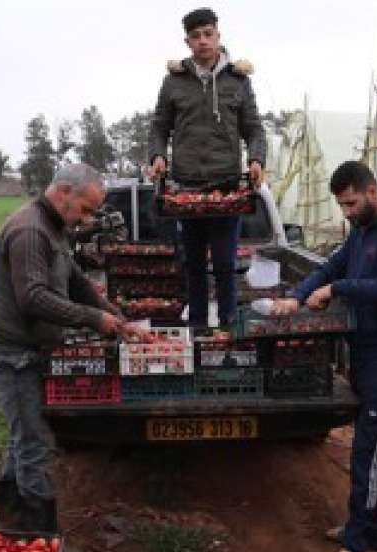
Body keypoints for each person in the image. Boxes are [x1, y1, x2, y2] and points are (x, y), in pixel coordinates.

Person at [0, 163, 148, 552]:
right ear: (62, 192)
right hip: (14, 357)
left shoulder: (53, 226)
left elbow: (75, 281)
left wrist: (114, 317)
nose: (88, 220)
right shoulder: (30, 232)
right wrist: (95, 321)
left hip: (31, 351)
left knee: (22, 436)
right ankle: (43, 544)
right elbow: (34, 298)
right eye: (86, 210)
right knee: (34, 444)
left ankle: (16, 525)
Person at [271, 161, 377, 552]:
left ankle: (354, 545)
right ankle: (374, 528)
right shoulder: (359, 233)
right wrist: (297, 298)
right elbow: (327, 268)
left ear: (373, 192)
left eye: (352, 203)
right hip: (363, 354)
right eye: (342, 206)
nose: (347, 213)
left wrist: (339, 290)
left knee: (367, 452)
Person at [147, 7, 267, 329]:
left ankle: (228, 326)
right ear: (187, 41)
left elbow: (254, 129)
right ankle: (198, 328)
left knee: (226, 264)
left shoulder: (239, 82)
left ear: (218, 35)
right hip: (185, 187)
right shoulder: (173, 82)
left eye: (208, 34)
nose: (203, 41)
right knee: (194, 264)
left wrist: (256, 159)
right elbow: (159, 127)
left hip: (227, 186)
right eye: (196, 36)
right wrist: (157, 156)